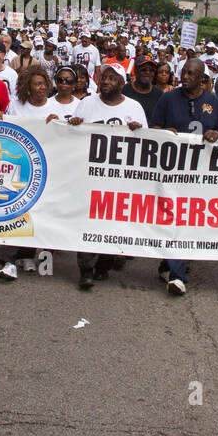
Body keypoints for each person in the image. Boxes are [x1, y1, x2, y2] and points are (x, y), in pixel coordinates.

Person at [63, 62, 148, 290]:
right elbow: (73, 137)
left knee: (113, 225)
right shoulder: (87, 103)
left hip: (120, 180)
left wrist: (138, 130)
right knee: (88, 221)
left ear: (122, 83)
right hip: (90, 176)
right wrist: (74, 124)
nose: (106, 82)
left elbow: (145, 143)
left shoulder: (134, 107)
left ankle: (104, 264)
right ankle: (86, 270)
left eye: (112, 78)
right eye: (104, 78)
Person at [150, 58, 218, 296]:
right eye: (183, 72)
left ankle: (172, 264)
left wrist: (216, 134)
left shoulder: (213, 103)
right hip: (172, 173)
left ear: (202, 77)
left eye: (191, 74)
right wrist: (164, 133)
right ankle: (177, 275)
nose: (184, 77)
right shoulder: (168, 98)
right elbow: (153, 128)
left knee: (188, 220)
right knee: (174, 219)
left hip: (200, 176)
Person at [122, 54, 163, 125]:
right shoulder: (123, 91)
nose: (148, 72)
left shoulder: (160, 95)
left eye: (151, 70)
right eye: (143, 70)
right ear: (135, 71)